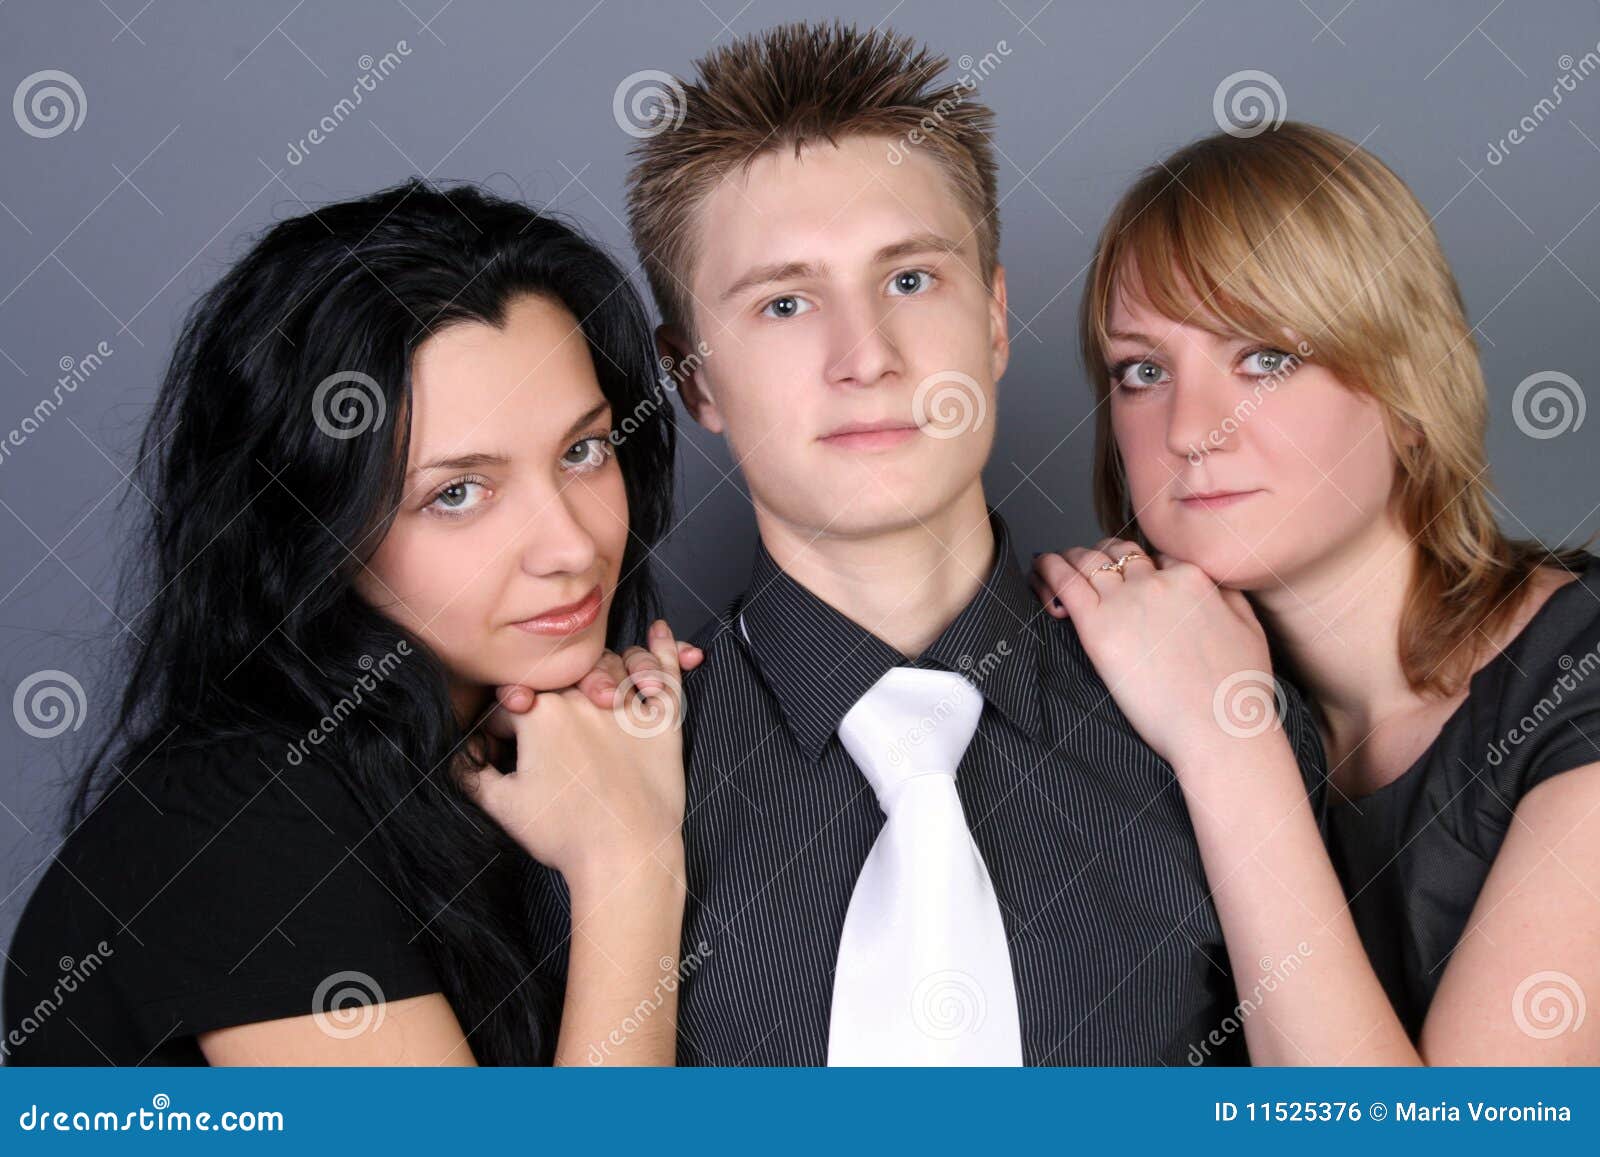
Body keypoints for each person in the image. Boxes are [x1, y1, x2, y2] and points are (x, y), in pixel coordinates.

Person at [502, 22, 1329, 1066]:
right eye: (785, 301)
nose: (867, 358)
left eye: (908, 281)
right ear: (694, 377)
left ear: (991, 320)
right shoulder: (591, 785)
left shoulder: (1219, 710)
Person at [3, 180, 699, 1066]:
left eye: (583, 450)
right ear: (314, 531)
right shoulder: (236, 823)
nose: (569, 545)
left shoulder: (500, 750)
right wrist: (631, 868)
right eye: (456, 493)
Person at [1032, 121, 1600, 1063]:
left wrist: (1227, 739)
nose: (1191, 430)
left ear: (1410, 396)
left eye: (1265, 358)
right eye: (1143, 371)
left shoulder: (1578, 685)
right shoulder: (1114, 694)